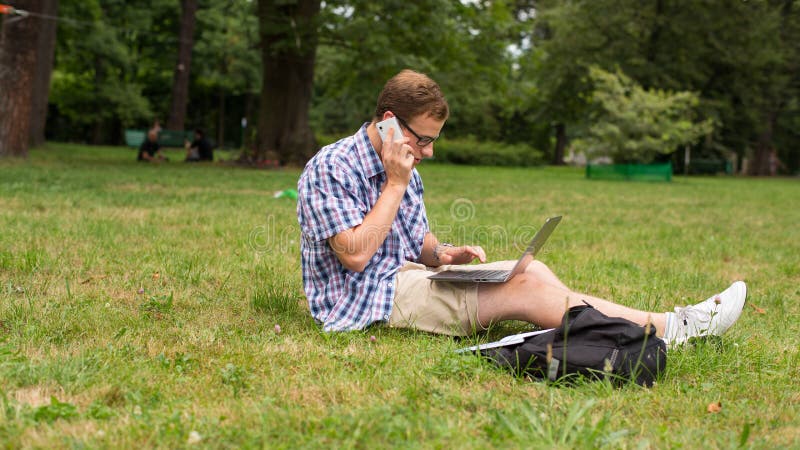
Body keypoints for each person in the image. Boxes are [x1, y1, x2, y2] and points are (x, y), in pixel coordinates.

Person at [296, 69, 746, 346]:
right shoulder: (332, 166)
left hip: (402, 278)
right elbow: (355, 256)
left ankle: (634, 331)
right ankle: (673, 328)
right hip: (358, 299)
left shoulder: (404, 162)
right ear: (390, 123)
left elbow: (417, 242)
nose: (428, 152)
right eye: (424, 139)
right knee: (522, 292)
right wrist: (395, 183)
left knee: (532, 273)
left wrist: (444, 254)